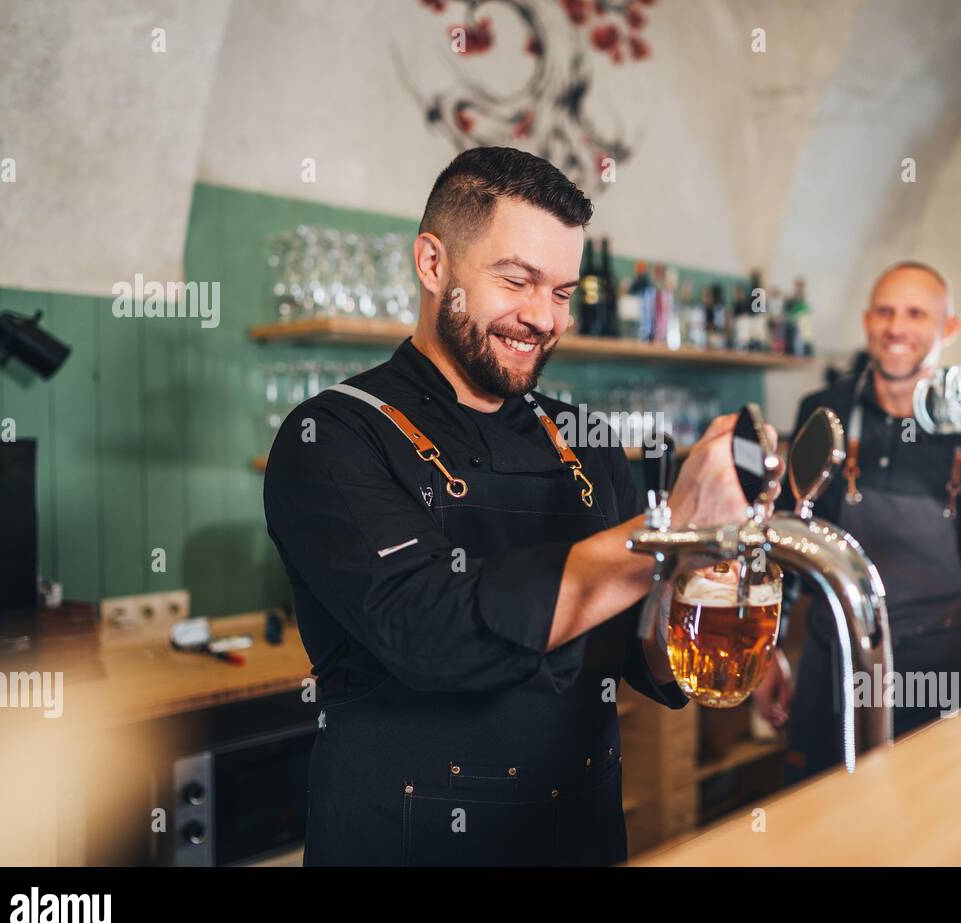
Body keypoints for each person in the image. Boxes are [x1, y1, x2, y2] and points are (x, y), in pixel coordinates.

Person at [264, 146, 763, 865]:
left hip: (580, 836)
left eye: (562, 292)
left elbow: (640, 648)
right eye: (517, 280)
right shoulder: (334, 434)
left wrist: (703, 575)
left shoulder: (584, 440)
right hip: (406, 843)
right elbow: (434, 629)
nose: (542, 317)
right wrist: (669, 528)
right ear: (434, 265)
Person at [756, 262, 961, 782]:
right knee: (819, 832)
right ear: (866, 321)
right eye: (885, 311)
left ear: (948, 329)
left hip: (935, 672)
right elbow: (788, 541)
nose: (896, 327)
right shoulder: (824, 412)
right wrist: (768, 651)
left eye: (916, 313)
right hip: (833, 667)